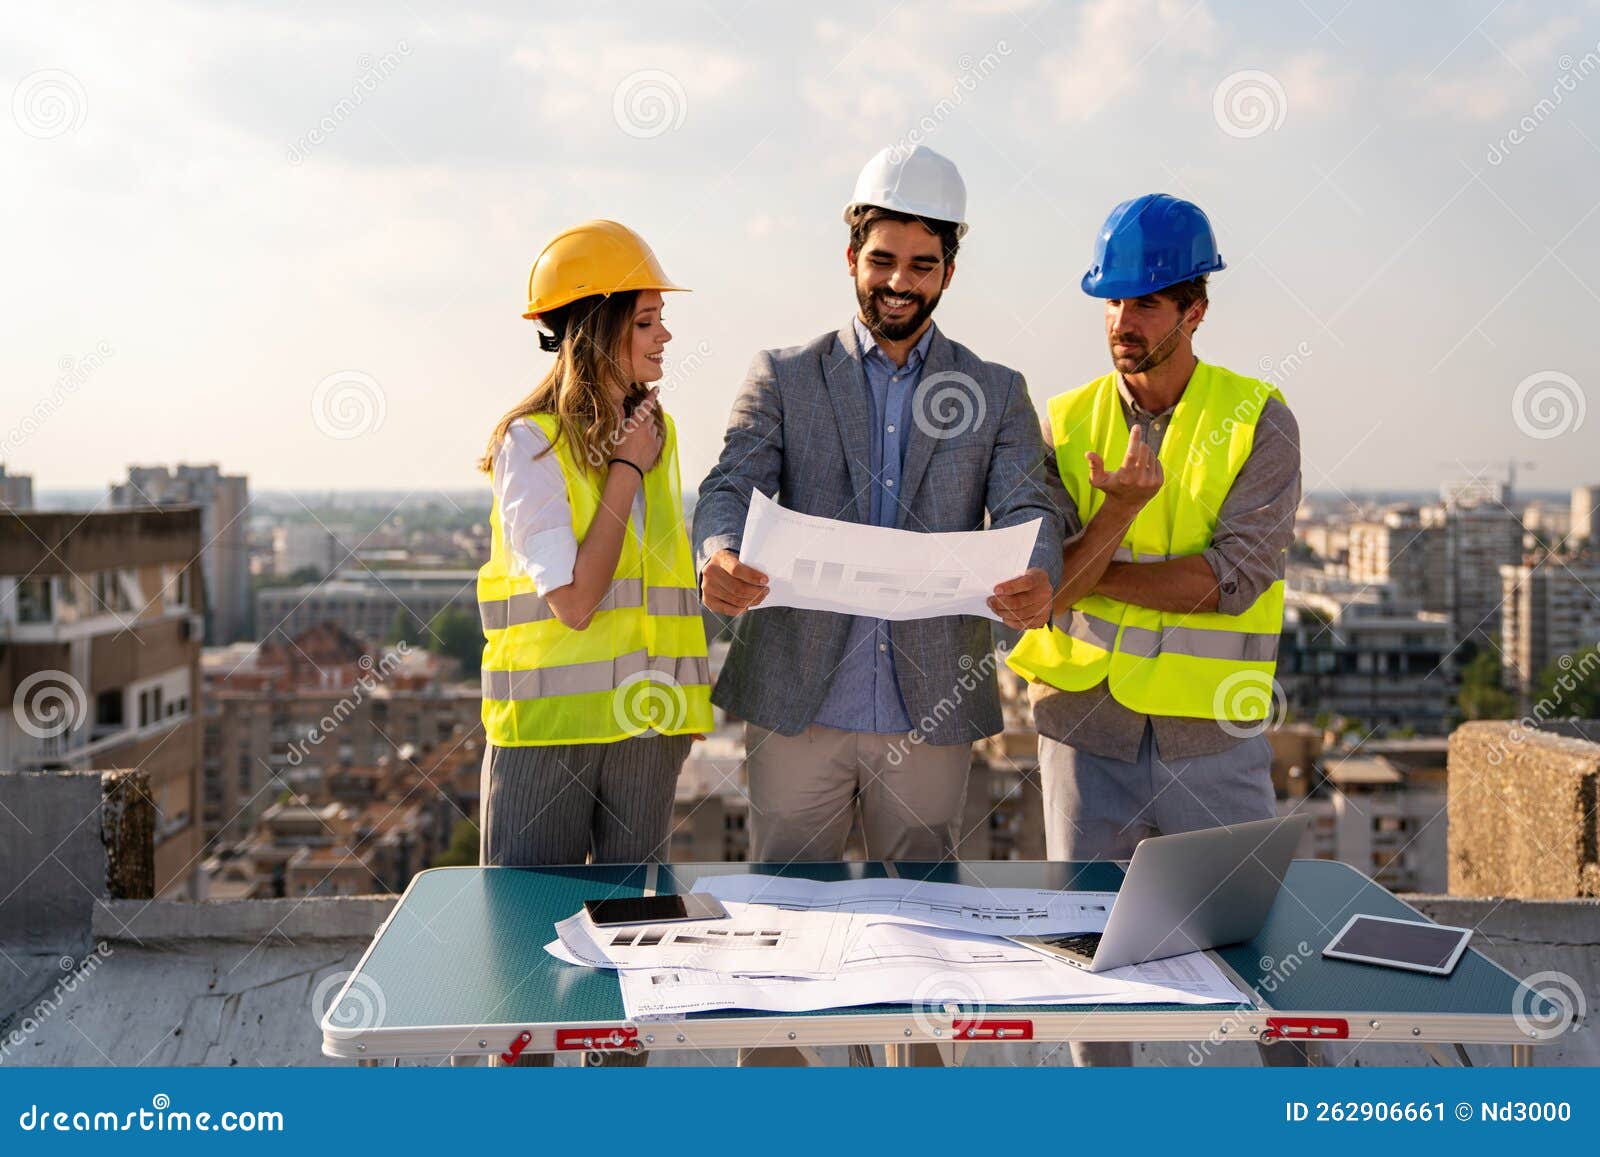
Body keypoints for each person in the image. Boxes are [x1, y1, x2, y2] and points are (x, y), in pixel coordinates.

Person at [694, 144, 1065, 869]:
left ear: (949, 273)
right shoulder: (783, 377)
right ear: (851, 258)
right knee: (790, 913)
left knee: (924, 916)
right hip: (798, 705)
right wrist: (717, 550)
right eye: (882, 260)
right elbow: (728, 483)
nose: (899, 282)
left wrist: (1040, 571)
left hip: (930, 713)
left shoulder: (996, 390)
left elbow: (1029, 505)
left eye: (922, 265)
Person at [1006, 194, 1306, 1068]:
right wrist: (1099, 543)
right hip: (1081, 728)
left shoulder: (1256, 418)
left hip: (1209, 733)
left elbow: (1229, 577)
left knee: (1256, 964)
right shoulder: (1062, 421)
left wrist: (1096, 564)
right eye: (1112, 301)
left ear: (1195, 309)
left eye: (1144, 303)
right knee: (1089, 969)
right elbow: (1039, 578)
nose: (1122, 322)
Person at [475, 219, 713, 1067]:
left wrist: (685, 710)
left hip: (645, 729)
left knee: (634, 960)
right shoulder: (530, 441)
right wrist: (623, 467)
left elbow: (660, 584)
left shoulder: (658, 430)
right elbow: (576, 599)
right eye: (647, 320)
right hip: (549, 735)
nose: (665, 335)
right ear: (599, 326)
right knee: (524, 966)